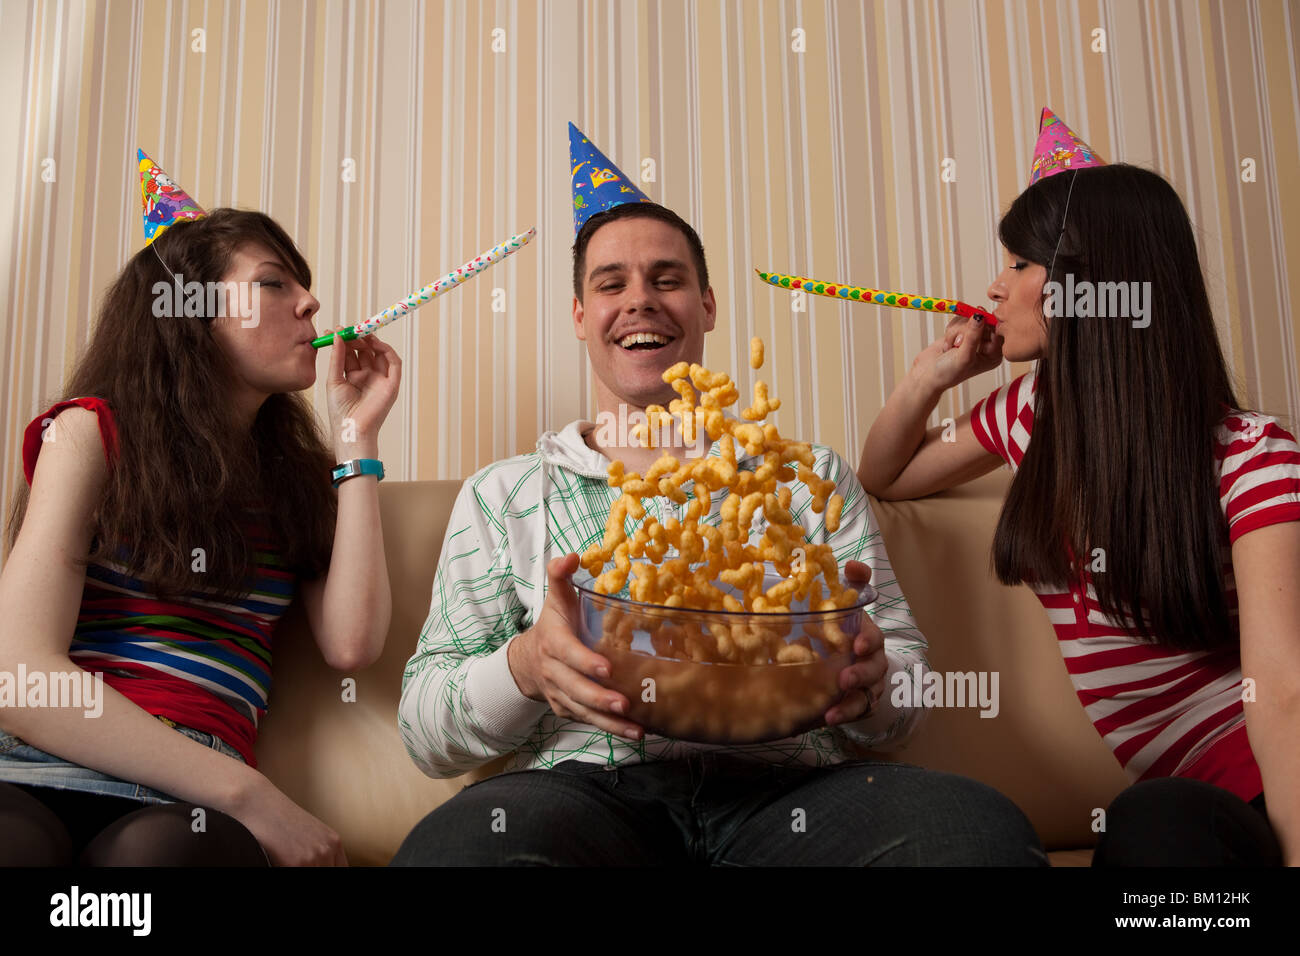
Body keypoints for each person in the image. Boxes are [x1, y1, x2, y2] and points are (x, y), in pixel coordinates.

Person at [391, 125, 1045, 866]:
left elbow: (911, 692)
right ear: (580, 318)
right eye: (611, 284)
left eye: (667, 280)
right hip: (583, 795)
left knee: (972, 833)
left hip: (793, 794)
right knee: (458, 853)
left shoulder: (810, 480)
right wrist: (525, 667)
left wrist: (873, 680)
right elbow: (424, 731)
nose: (641, 301)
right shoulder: (505, 495)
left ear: (707, 305)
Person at [858, 108, 1299, 866]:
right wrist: (935, 375)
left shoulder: (1253, 457)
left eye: (1022, 264)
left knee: (1152, 825)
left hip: (1271, 788)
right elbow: (883, 473)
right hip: (1186, 813)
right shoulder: (1028, 417)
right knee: (1149, 826)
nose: (997, 285)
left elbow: (1284, 694)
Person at [0, 151, 401, 866]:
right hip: (36, 765)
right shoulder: (89, 432)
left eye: (305, 286)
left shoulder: (295, 482)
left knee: (158, 864)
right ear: (190, 313)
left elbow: (352, 644)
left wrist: (357, 437)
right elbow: (17, 674)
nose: (310, 303)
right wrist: (254, 796)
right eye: (274, 283)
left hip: (185, 803)